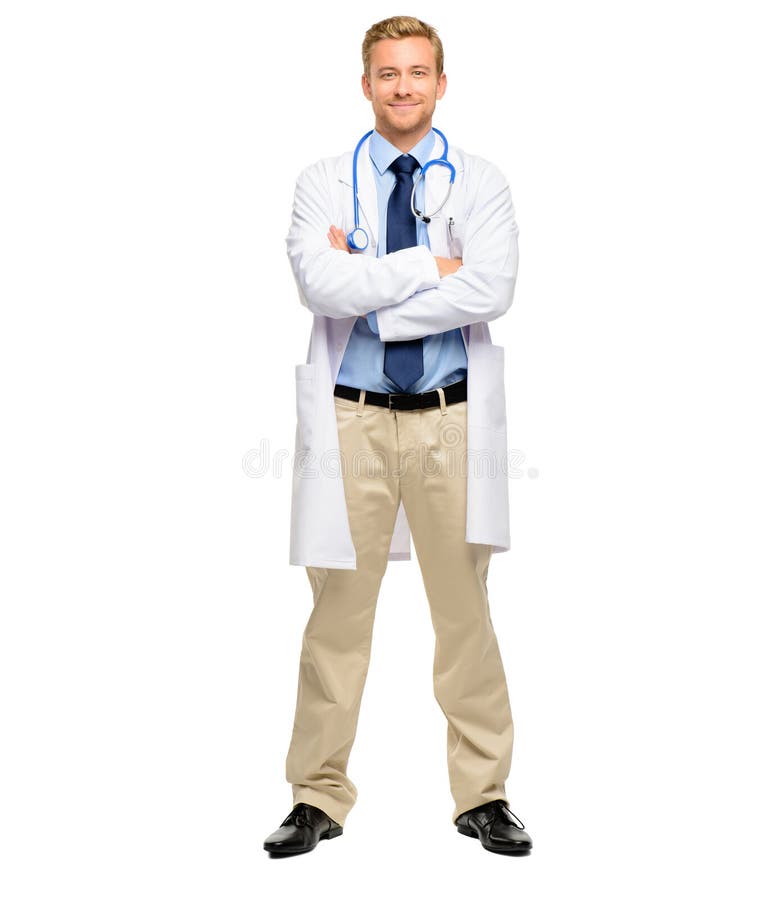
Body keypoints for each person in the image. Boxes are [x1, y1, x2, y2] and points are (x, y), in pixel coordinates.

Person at [263, 15, 532, 857]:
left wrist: (366, 290)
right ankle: (317, 796)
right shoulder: (320, 184)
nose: (404, 86)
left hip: (451, 421)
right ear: (366, 85)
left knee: (464, 616)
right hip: (352, 419)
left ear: (441, 83)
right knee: (336, 617)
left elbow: (490, 291)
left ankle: (481, 795)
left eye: (419, 72)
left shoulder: (479, 183)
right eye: (388, 73)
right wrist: (426, 267)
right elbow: (318, 282)